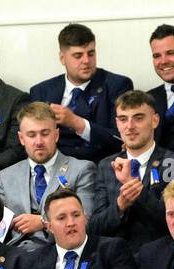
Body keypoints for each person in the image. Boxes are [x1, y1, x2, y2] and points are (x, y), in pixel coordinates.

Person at [90, 89, 174, 251]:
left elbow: (171, 221)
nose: (130, 126)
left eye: (138, 118)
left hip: (158, 254)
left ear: (155, 120)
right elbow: (95, 227)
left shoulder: (173, 161)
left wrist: (133, 186)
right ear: (117, 124)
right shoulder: (106, 165)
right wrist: (119, 206)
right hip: (114, 256)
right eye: (123, 119)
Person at [0, 102, 97, 249]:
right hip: (14, 255)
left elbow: (86, 220)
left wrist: (43, 222)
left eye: (45, 133)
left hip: (61, 251)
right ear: (21, 138)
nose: (39, 142)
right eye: (31, 135)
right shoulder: (5, 176)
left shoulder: (82, 169)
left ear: (56, 135)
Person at [28, 23, 133, 165]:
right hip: (54, 169)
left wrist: (77, 123)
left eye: (91, 53)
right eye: (78, 56)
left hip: (99, 167)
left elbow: (122, 139)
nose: (86, 61)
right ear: (62, 58)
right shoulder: (41, 91)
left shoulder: (117, 86)